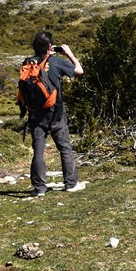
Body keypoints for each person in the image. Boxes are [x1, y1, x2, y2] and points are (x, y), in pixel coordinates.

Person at [24, 31, 84, 196]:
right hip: (55, 112)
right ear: (50, 46)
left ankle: (39, 189)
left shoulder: (28, 63)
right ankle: (71, 183)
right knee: (64, 148)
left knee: (38, 151)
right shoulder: (56, 62)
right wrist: (69, 54)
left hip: (35, 114)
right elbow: (79, 71)